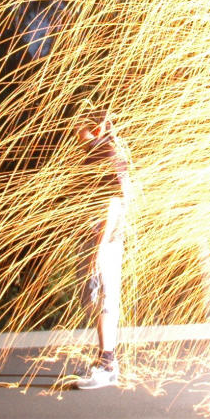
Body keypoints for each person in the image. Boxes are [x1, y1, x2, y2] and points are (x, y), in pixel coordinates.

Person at [74, 108, 131, 390]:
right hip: (101, 237)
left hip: (105, 238)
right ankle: (107, 360)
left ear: (95, 129)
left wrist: (98, 247)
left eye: (80, 128)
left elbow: (114, 203)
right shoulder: (101, 153)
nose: (75, 134)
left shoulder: (105, 155)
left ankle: (107, 363)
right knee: (95, 297)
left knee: (105, 298)